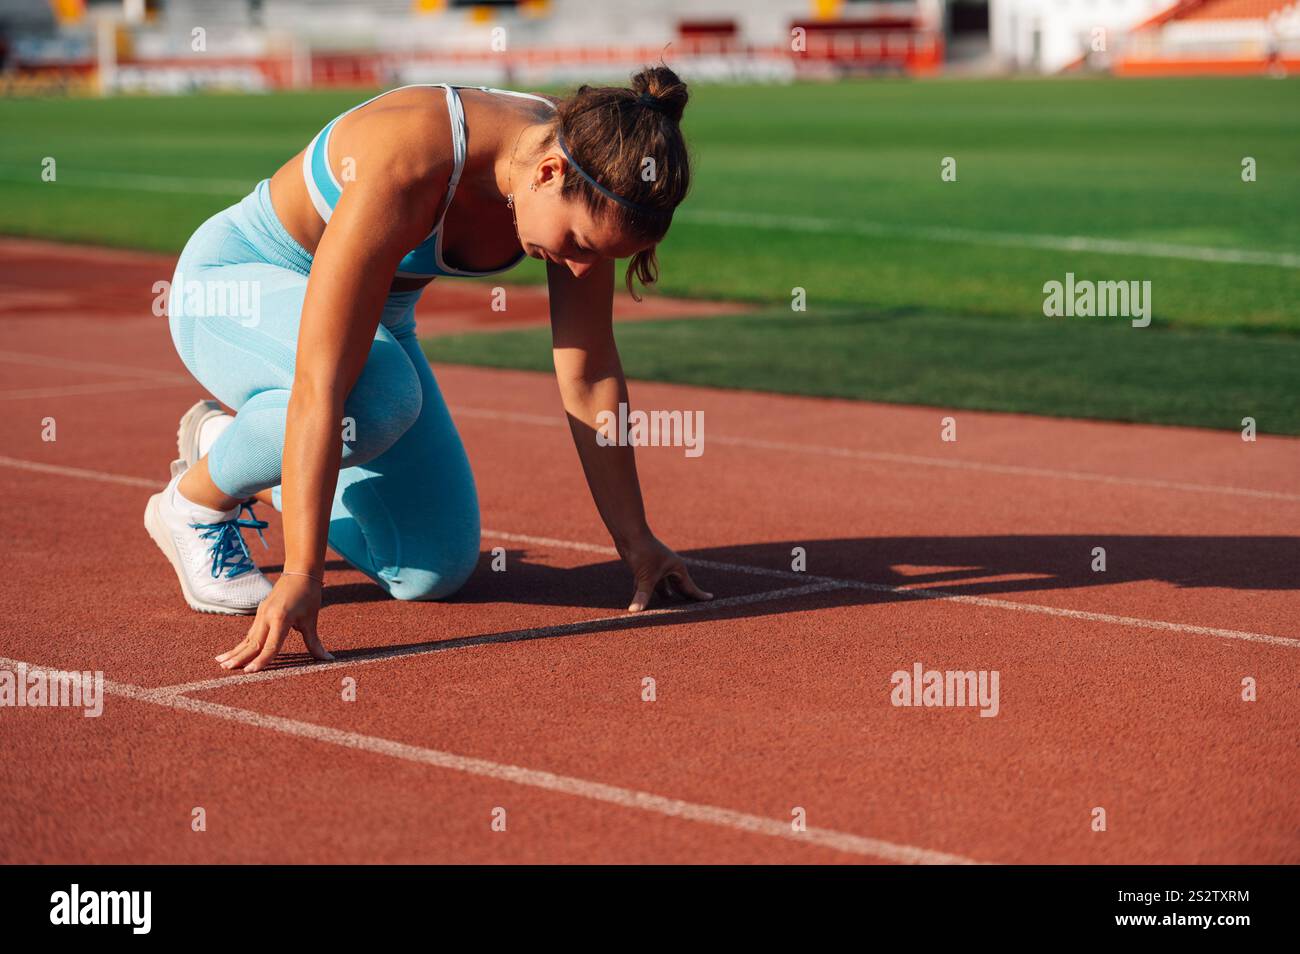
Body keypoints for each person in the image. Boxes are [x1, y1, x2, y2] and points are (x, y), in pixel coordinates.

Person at [144, 65, 712, 674]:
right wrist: (302, 572)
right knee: (378, 397)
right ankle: (195, 502)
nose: (579, 270)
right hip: (232, 289)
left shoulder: (584, 162)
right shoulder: (411, 155)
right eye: (579, 244)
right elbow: (322, 380)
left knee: (430, 568)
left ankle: (234, 443)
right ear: (548, 174)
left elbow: (590, 371)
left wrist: (636, 541)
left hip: (376, 329)